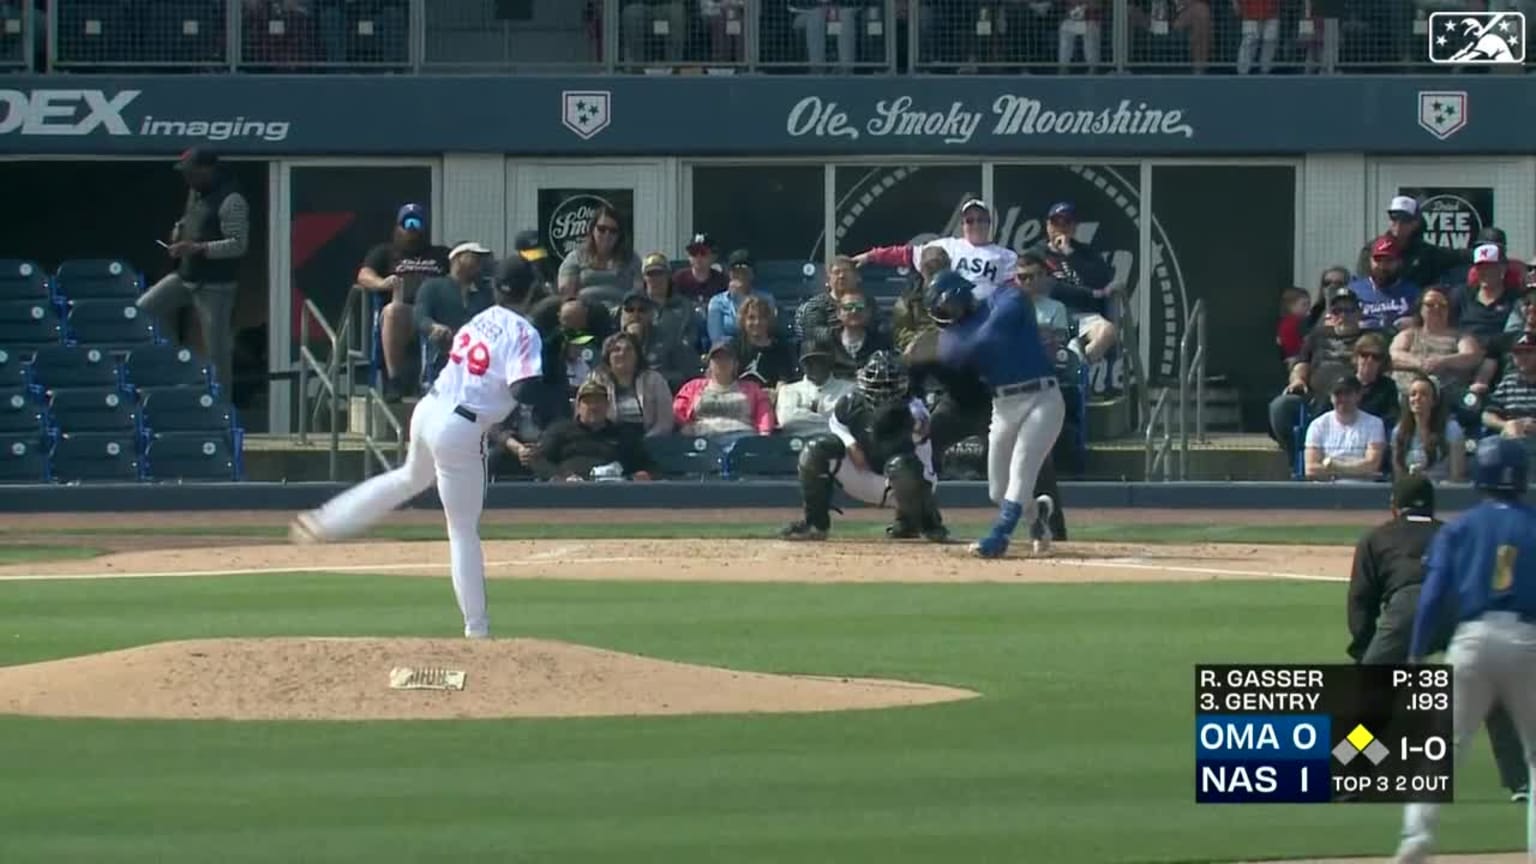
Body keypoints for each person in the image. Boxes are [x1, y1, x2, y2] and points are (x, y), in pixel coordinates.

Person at [288, 256, 544, 640]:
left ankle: (326, 520)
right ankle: (477, 631)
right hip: (460, 427)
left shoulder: (480, 318)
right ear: (533, 289)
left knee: (409, 478)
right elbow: (525, 389)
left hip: (428, 411)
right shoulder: (525, 332)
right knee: (462, 531)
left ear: (495, 288)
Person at [1396, 438, 1536, 862]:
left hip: (1471, 640)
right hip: (1526, 641)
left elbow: (1434, 594)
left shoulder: (1459, 527)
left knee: (1445, 744)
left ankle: (1417, 835)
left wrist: (1418, 649)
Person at [923, 268, 1064, 558]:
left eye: (945, 304)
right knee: (998, 492)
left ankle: (999, 537)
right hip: (1002, 407)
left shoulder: (1005, 301)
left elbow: (1004, 315)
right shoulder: (955, 338)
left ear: (959, 294)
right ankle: (1037, 516)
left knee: (1022, 470)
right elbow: (965, 348)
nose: (943, 312)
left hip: (1043, 398)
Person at [779, 351, 947, 543]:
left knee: (901, 465)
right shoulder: (850, 402)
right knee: (815, 449)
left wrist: (915, 424)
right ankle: (815, 523)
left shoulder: (914, 409)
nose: (882, 391)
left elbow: (921, 432)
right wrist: (849, 443)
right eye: (877, 386)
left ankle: (925, 522)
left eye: (888, 386)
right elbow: (836, 424)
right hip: (863, 475)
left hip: (906, 485)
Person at [138, 147, 249, 397]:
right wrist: (179, 232)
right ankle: (179, 361)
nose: (188, 178)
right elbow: (189, 219)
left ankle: (222, 408)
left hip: (216, 285)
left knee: (216, 351)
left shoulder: (232, 199)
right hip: (186, 276)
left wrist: (198, 248)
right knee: (143, 310)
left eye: (192, 172)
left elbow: (238, 245)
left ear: (208, 170)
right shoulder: (195, 193)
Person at [357, 203, 451, 401]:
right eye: (406, 222)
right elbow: (364, 275)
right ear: (397, 227)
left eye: (416, 222)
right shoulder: (384, 252)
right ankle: (394, 382)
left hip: (437, 316)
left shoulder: (441, 255)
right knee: (392, 312)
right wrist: (382, 283)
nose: (411, 228)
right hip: (405, 314)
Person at [851, 198, 1020, 303]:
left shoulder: (1006, 256)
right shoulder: (947, 246)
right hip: (950, 313)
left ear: (989, 223)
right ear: (962, 225)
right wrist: (870, 256)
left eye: (981, 220)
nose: (976, 224)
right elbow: (905, 254)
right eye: (969, 220)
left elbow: (1013, 292)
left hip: (986, 316)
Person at [530, 380, 654, 482]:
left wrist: (643, 474)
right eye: (588, 402)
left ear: (607, 405)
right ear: (578, 406)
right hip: (569, 495)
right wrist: (561, 476)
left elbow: (648, 465)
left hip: (615, 496)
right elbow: (538, 460)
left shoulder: (623, 434)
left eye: (599, 401)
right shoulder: (560, 430)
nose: (594, 407)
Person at [413, 242, 493, 387]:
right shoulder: (433, 286)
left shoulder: (486, 292)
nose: (479, 263)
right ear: (456, 259)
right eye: (473, 257)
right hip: (444, 350)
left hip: (479, 354)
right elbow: (420, 315)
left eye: (480, 259)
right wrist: (433, 327)